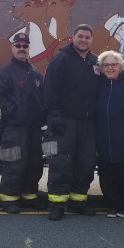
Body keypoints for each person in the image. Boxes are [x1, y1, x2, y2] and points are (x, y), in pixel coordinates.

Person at [42, 23, 99, 221]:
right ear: (72, 38)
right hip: (64, 121)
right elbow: (49, 90)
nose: (83, 40)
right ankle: (57, 204)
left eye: (87, 37)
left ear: (91, 40)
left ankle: (78, 200)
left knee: (85, 162)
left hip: (87, 123)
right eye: (80, 36)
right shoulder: (61, 59)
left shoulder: (94, 62)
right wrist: (54, 115)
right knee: (61, 162)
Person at [0, 31, 46, 214]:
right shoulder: (5, 71)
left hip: (33, 128)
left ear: (28, 49)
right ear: (12, 48)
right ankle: (8, 199)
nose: (22, 49)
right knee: (13, 163)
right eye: (18, 46)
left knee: (34, 163)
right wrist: (15, 112)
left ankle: (29, 196)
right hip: (13, 128)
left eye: (25, 46)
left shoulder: (34, 71)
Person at [94, 49, 124, 217]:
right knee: (107, 174)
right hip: (104, 137)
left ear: (121, 66)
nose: (110, 68)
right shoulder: (99, 83)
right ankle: (114, 204)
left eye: (114, 65)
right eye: (106, 65)